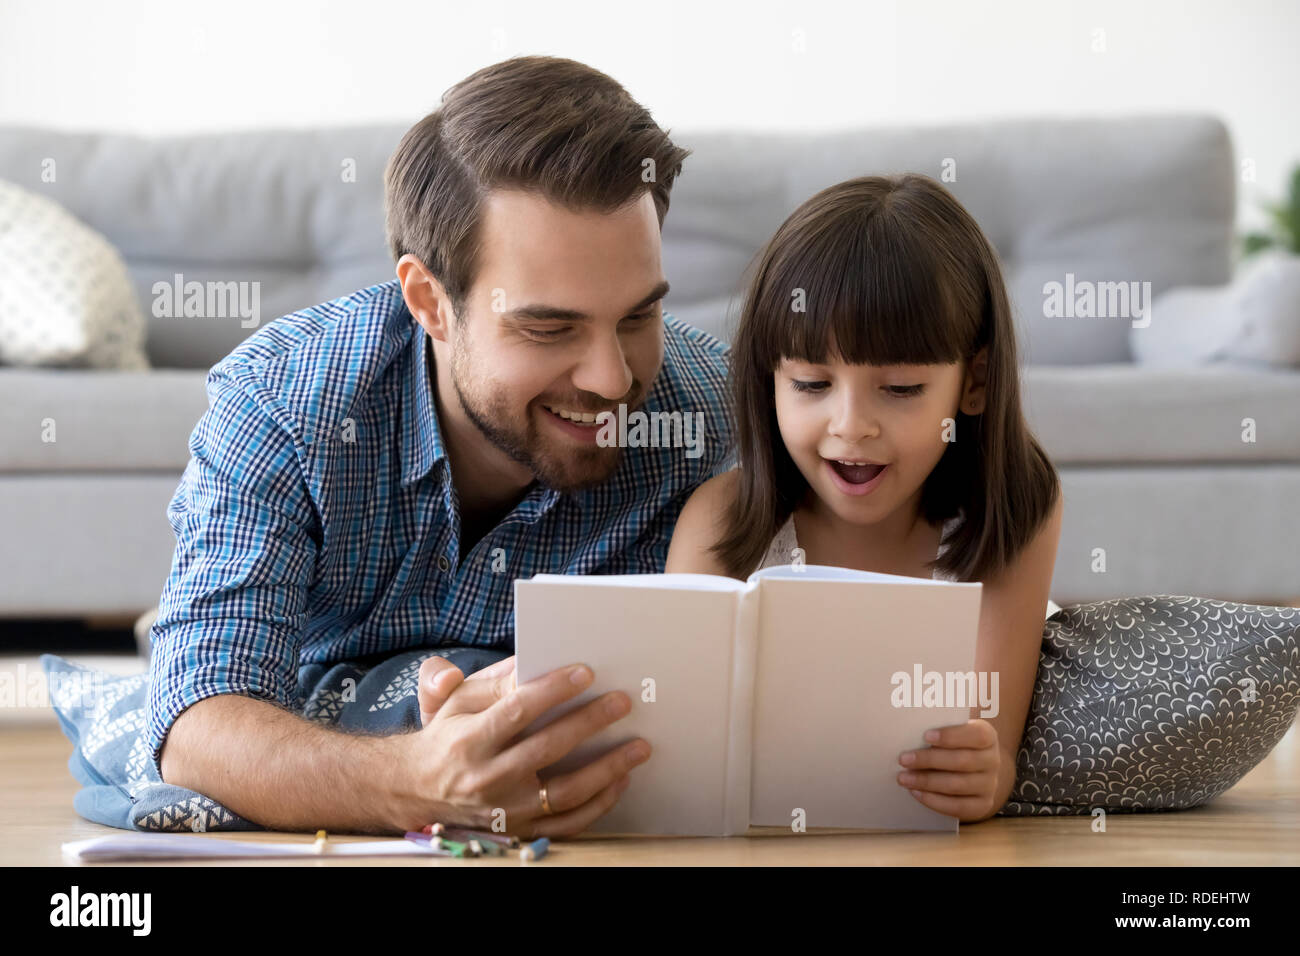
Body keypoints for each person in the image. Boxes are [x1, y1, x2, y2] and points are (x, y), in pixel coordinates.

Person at [150, 56, 732, 838]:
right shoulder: (283, 404)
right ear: (430, 300)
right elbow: (197, 727)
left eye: (637, 317)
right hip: (322, 672)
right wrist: (414, 781)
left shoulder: (716, 415)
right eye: (549, 327)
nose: (611, 378)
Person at [666, 174, 1064, 823]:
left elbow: (991, 751)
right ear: (769, 380)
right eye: (811, 383)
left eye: (902, 389)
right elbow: (679, 744)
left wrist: (985, 776)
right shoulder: (721, 518)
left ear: (975, 383)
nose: (851, 425)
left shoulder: (1015, 512)